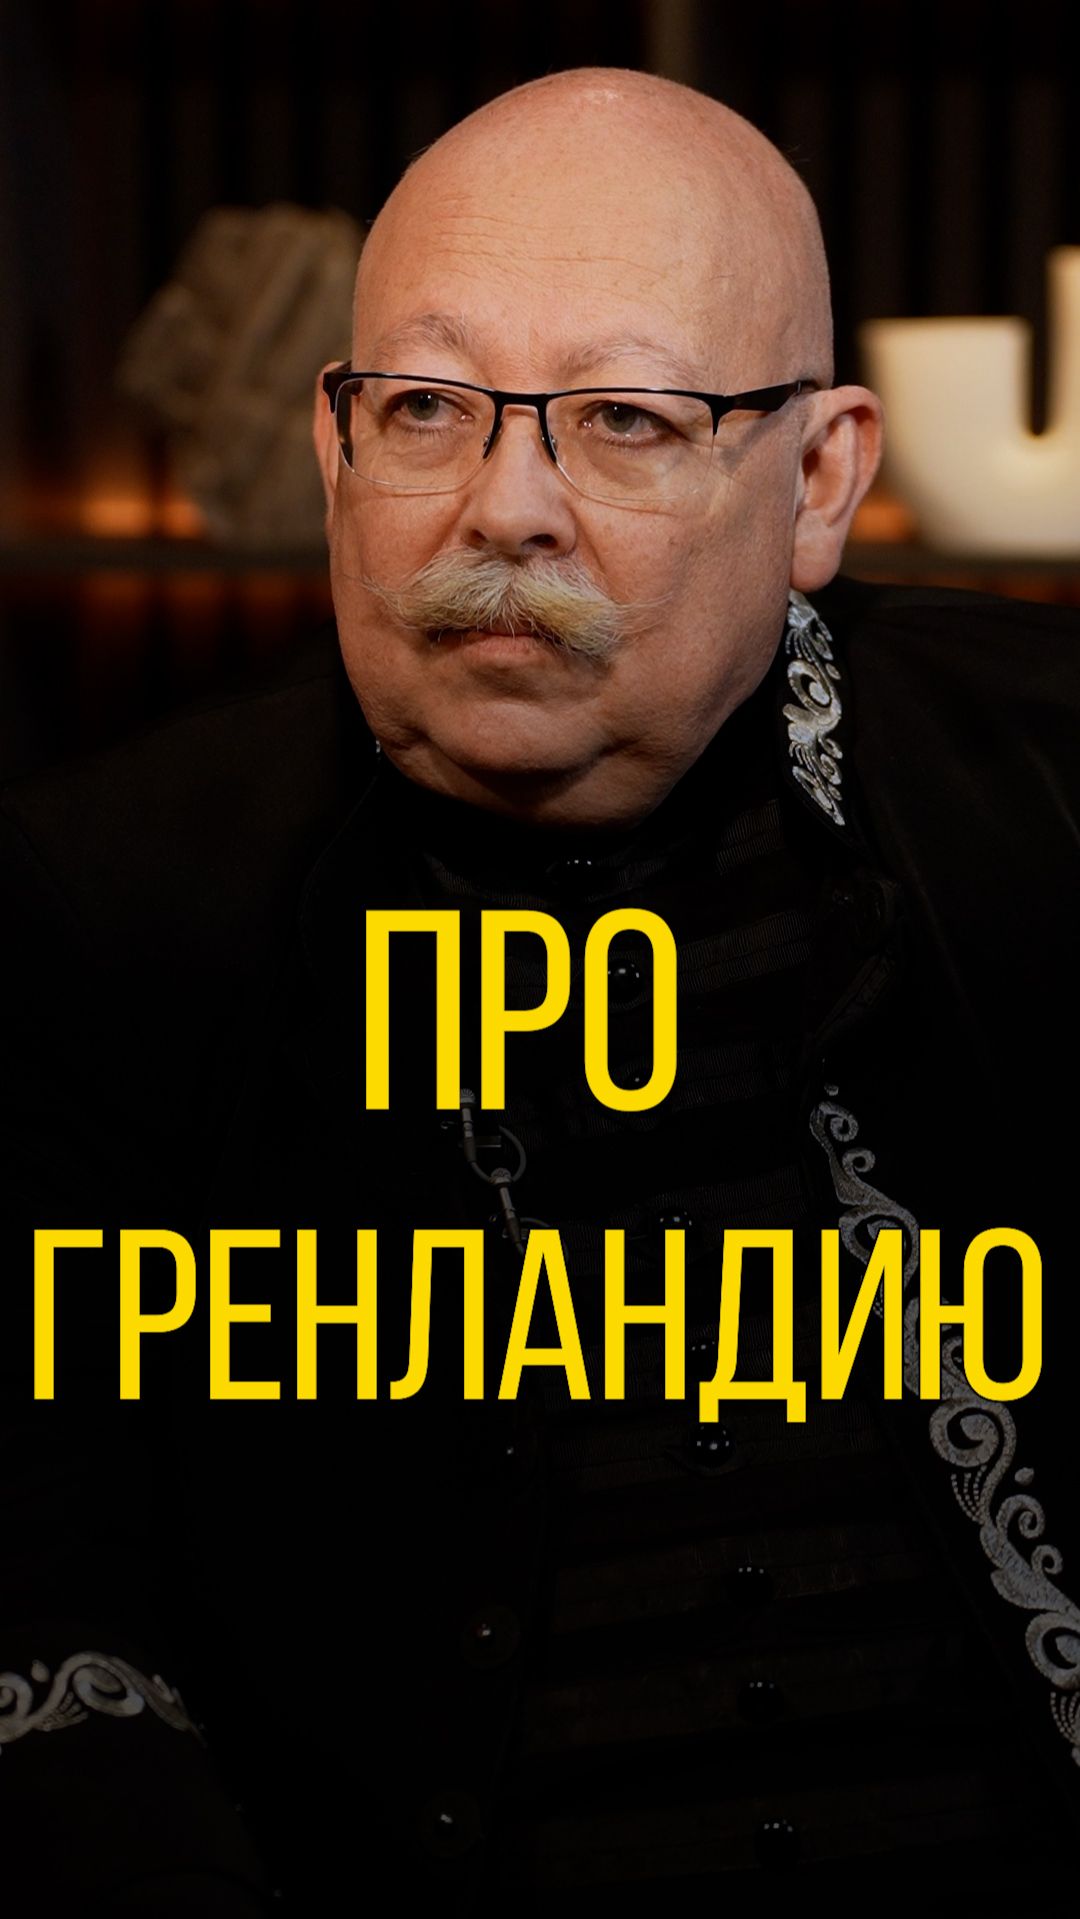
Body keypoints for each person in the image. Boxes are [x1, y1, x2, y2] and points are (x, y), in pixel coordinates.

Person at [3, 65, 1080, 1911]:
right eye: (427, 408)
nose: (508, 509)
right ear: (336, 451)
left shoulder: (1047, 804)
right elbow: (44, 1596)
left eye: (627, 420)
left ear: (820, 482)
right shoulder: (101, 910)